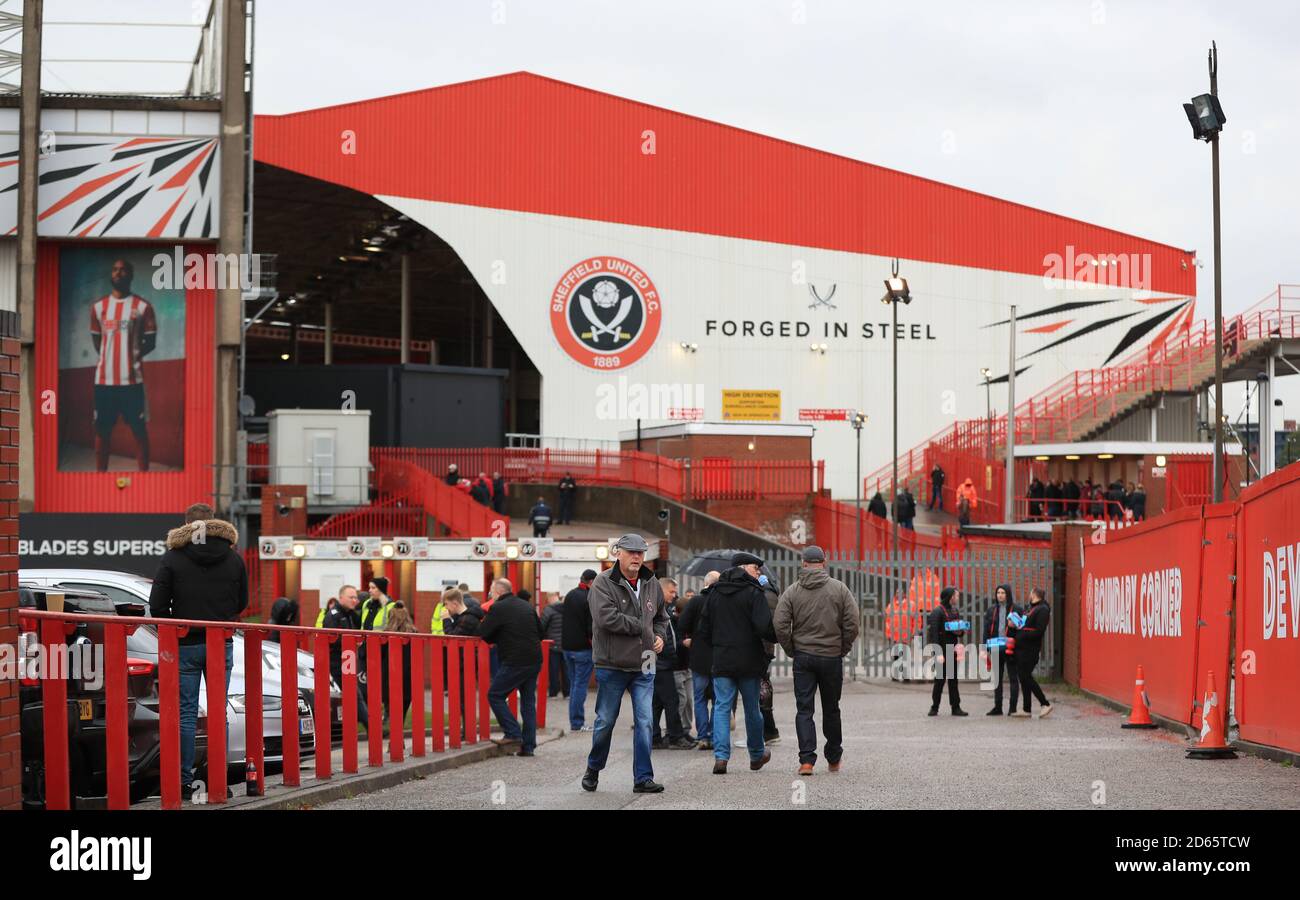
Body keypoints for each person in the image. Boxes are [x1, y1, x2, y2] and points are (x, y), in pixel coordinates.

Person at [149, 502, 248, 800]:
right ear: (213, 522)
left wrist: (176, 627)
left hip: (187, 644)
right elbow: (242, 601)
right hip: (221, 642)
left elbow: (156, 606)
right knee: (220, 711)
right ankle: (219, 780)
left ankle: (183, 782)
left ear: (186, 525)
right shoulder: (233, 558)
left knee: (186, 713)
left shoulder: (173, 557)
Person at [581, 534, 668, 794]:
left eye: (641, 553)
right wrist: (645, 629)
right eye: (631, 552)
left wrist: (660, 636)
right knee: (606, 721)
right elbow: (607, 618)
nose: (637, 557)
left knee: (645, 721)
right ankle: (593, 768)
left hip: (645, 662)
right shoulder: (602, 582)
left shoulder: (652, 582)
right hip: (612, 663)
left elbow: (662, 617)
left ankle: (643, 778)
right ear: (618, 553)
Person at [774, 545, 859, 775]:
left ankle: (807, 761)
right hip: (831, 656)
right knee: (832, 708)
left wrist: (793, 649)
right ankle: (833, 757)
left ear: (803, 563)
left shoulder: (792, 592)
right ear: (824, 561)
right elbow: (853, 622)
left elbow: (780, 625)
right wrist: (842, 647)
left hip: (804, 657)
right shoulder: (839, 589)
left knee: (804, 709)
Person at [698, 552, 775, 774]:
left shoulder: (714, 593)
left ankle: (721, 757)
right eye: (755, 567)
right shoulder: (754, 593)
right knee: (752, 708)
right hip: (749, 660)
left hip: (722, 659)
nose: (759, 571)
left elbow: (703, 629)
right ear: (742, 568)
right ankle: (756, 754)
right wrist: (776, 638)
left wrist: (717, 645)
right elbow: (763, 627)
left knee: (722, 707)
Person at [89, 258, 157, 472]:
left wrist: (132, 355)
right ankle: (100, 477)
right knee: (102, 431)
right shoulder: (98, 308)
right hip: (104, 382)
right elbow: (97, 342)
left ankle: (145, 477)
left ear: (130, 274)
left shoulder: (143, 307)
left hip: (132, 382)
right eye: (115, 269)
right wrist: (110, 357)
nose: (118, 273)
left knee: (139, 430)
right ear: (111, 275)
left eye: (123, 269)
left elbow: (150, 342)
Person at [477, 578, 544, 756]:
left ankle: (513, 733)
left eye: (491, 590)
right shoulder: (526, 606)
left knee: (495, 695)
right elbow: (541, 631)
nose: (490, 593)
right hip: (534, 659)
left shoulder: (498, 607)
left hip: (515, 660)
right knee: (528, 702)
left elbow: (484, 633)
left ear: (497, 591)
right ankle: (528, 746)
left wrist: (498, 637)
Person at [651, 577, 696, 749]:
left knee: (657, 702)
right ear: (661, 590)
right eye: (671, 591)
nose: (674, 595)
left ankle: (655, 737)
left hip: (662, 663)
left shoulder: (661, 608)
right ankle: (676, 736)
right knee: (672, 701)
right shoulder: (655, 608)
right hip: (661, 663)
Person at [678, 570, 718, 750]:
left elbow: (682, 625)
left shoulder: (695, 601)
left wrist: (691, 638)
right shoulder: (722, 602)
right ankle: (717, 735)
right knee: (719, 700)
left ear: (705, 583)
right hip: (720, 658)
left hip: (699, 657)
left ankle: (703, 736)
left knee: (700, 698)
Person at [322, 584, 369, 726]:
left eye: (356, 597)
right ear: (341, 597)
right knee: (354, 696)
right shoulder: (334, 616)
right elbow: (330, 640)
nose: (354, 600)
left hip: (346, 662)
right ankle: (372, 728)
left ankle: (359, 727)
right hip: (336, 664)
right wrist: (353, 642)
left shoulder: (349, 614)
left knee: (353, 696)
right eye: (351, 597)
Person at [561, 570, 597, 732]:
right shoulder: (589, 597)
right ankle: (577, 722)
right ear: (591, 582)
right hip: (583, 648)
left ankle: (574, 721)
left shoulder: (569, 595)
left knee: (574, 684)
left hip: (567, 647)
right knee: (580, 686)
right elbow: (591, 627)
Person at [1011, 586, 1053, 718]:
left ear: (1034, 594)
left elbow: (1039, 630)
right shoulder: (1031, 608)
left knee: (1026, 676)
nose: (1029, 595)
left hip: (1030, 650)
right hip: (1022, 648)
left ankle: (1045, 703)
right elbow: (1025, 625)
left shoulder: (1043, 610)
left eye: (1030, 593)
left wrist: (1023, 634)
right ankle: (1026, 709)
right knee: (1023, 677)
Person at [927, 586, 968, 717]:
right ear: (950, 597)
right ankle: (934, 707)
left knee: (953, 679)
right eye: (956, 596)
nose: (958, 598)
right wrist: (938, 653)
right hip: (942, 650)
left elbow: (958, 633)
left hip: (952, 649)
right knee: (939, 680)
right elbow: (933, 634)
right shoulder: (937, 612)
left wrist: (961, 630)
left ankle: (955, 707)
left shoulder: (955, 611)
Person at [983, 584, 1021, 716]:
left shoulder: (1016, 609)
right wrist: (984, 648)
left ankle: (1012, 708)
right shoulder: (991, 610)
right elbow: (986, 630)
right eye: (998, 592)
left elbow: (1022, 627)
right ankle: (997, 707)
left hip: (1011, 648)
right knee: (997, 679)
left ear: (1008, 594)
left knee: (1013, 678)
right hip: (995, 647)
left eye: (1003, 593)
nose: (1000, 595)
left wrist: (1015, 627)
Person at [380, 601, 418, 724]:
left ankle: (392, 729)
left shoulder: (386, 635)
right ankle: (398, 734)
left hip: (389, 677)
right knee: (402, 711)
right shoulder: (415, 634)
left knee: (391, 709)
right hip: (408, 678)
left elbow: (380, 656)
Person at [667, 580, 695, 739]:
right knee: (681, 699)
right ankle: (675, 730)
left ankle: (686, 729)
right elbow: (671, 643)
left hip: (687, 666)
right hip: (677, 667)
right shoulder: (672, 623)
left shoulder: (689, 623)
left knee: (689, 700)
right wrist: (682, 643)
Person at [538, 591, 569, 698]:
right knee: (566, 669)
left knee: (553, 670)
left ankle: (554, 692)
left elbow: (542, 626)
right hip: (566, 643)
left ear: (550, 598)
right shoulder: (568, 609)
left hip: (552, 644)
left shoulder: (549, 610)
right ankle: (567, 692)